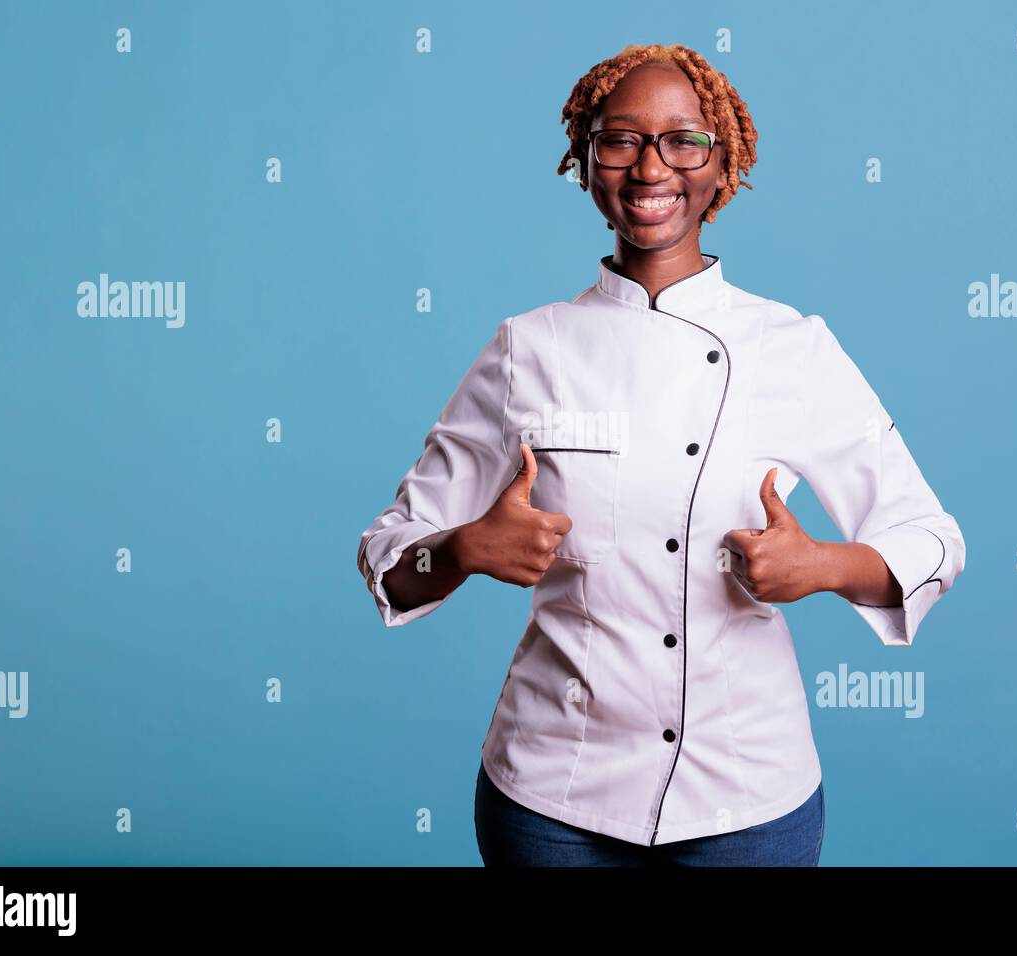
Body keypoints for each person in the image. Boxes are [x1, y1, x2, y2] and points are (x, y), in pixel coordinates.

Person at [357, 42, 967, 866]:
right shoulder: (527, 348)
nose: (652, 168)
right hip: (551, 797)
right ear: (587, 160)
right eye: (621, 140)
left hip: (748, 797)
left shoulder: (794, 348)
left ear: (724, 167)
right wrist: (464, 549)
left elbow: (933, 540)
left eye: (684, 141)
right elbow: (391, 559)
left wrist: (820, 565)